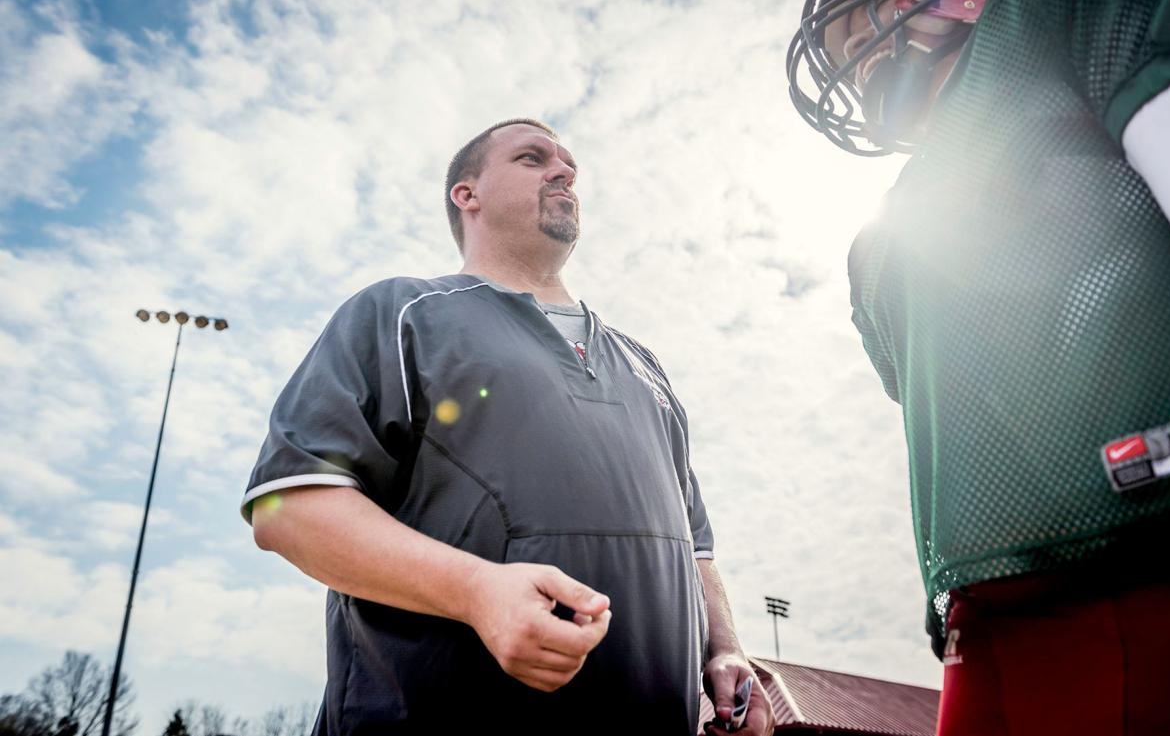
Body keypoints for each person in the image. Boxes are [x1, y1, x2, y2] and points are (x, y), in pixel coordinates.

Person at [786, 0, 1170, 733]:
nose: (854, 55)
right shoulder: (880, 247)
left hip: (1155, 553)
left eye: (861, 12)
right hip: (984, 606)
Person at [243, 119, 774, 736]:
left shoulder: (643, 363)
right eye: (531, 157)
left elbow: (696, 548)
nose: (563, 170)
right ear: (466, 194)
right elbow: (289, 510)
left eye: (569, 163)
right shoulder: (398, 312)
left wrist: (724, 648)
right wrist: (476, 590)